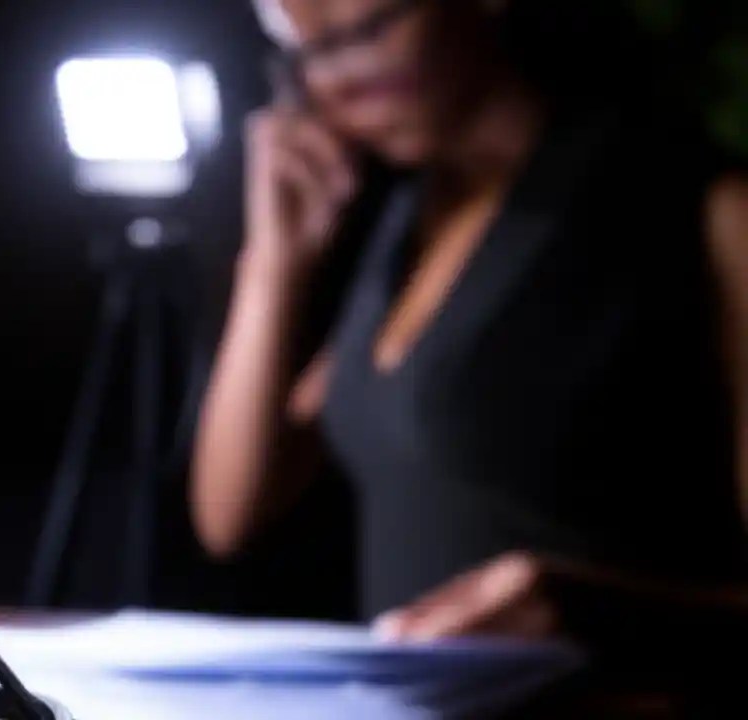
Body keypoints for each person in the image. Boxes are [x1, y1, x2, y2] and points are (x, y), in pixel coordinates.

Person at [190, 0, 748, 671]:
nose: (338, 76)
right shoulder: (400, 228)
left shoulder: (695, 211)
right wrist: (273, 265)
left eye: (371, 30)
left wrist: (601, 611)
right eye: (309, 53)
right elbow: (231, 513)